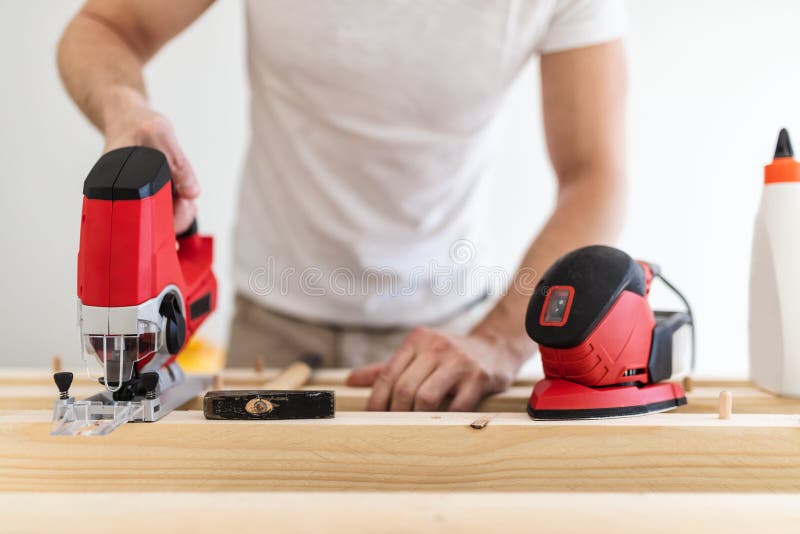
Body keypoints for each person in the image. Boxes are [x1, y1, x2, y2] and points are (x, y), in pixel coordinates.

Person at [58, 1, 628, 412]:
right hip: (273, 327)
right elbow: (104, 26)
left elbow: (594, 175)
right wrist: (123, 106)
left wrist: (500, 339)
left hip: (447, 344)